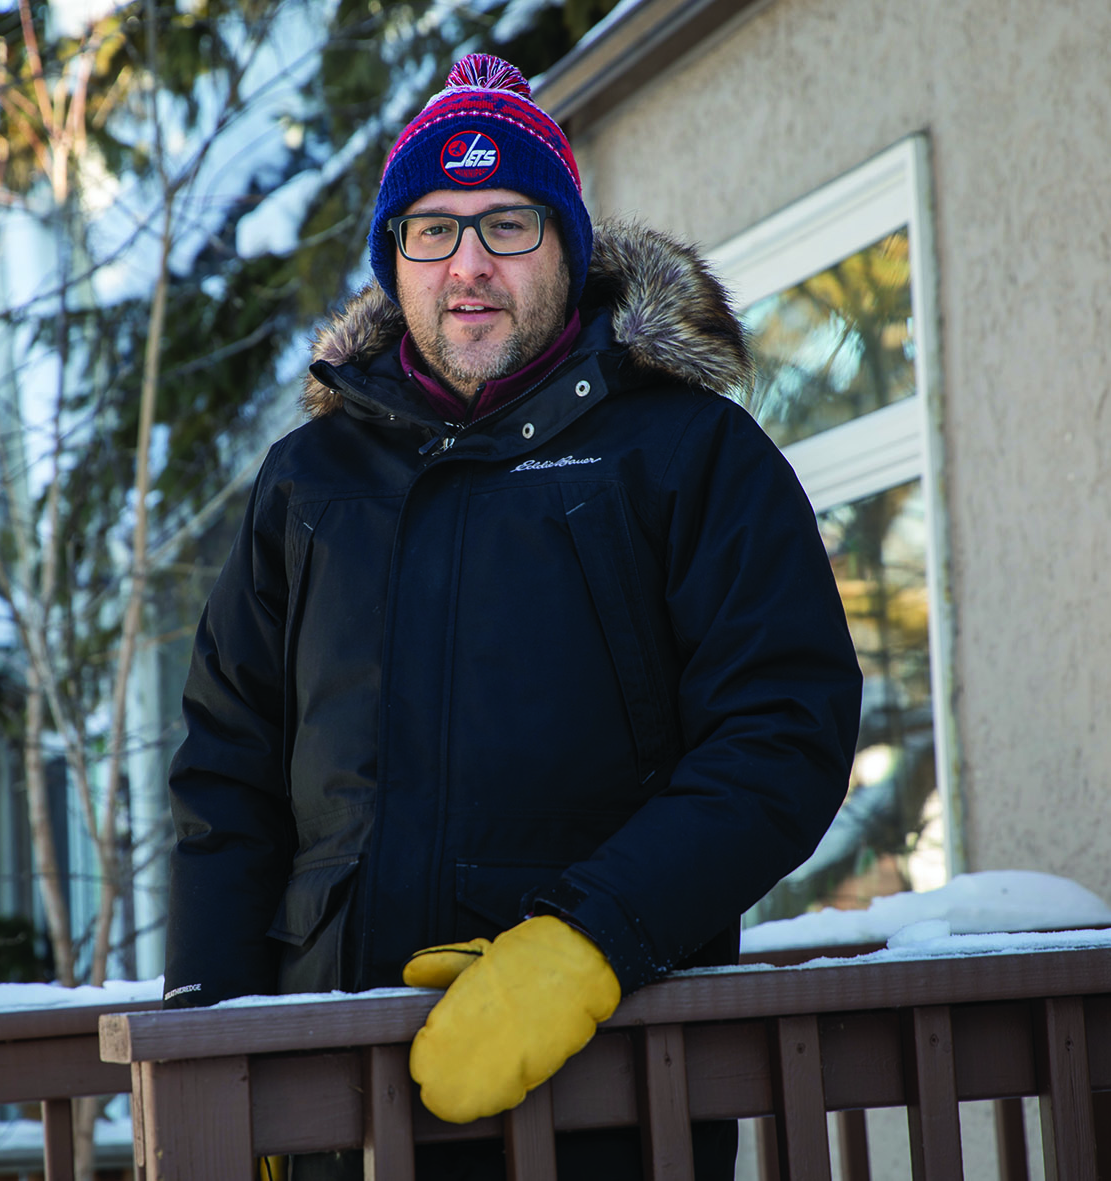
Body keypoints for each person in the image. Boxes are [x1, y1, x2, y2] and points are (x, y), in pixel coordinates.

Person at [161, 53, 862, 1180]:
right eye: (431, 230)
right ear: (393, 261)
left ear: (568, 247)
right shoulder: (307, 479)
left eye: (507, 224)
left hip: (611, 1096)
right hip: (334, 1104)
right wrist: (211, 1033)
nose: (468, 264)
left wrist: (590, 943)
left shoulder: (687, 454)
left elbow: (781, 732)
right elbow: (226, 769)